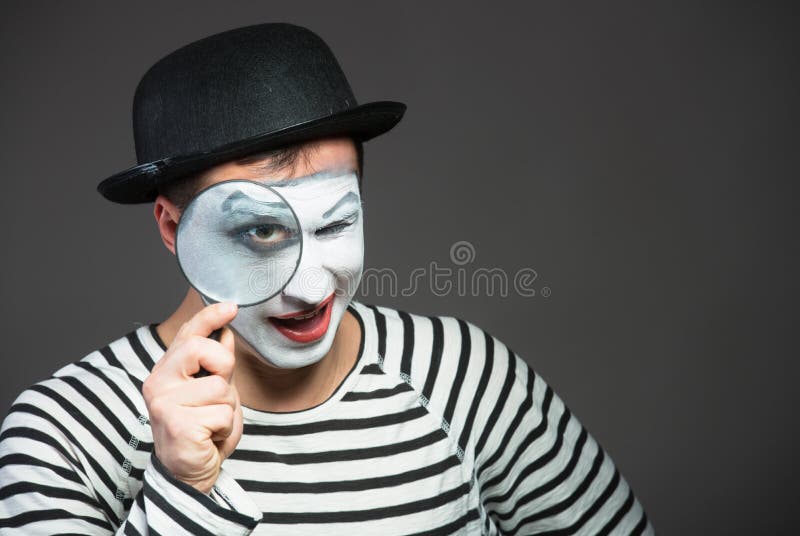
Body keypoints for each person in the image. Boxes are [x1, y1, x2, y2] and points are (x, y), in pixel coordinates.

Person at [0, 23, 654, 535]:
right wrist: (183, 488)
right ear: (171, 227)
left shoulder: (465, 376)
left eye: (338, 223)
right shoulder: (62, 432)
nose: (312, 288)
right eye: (260, 232)